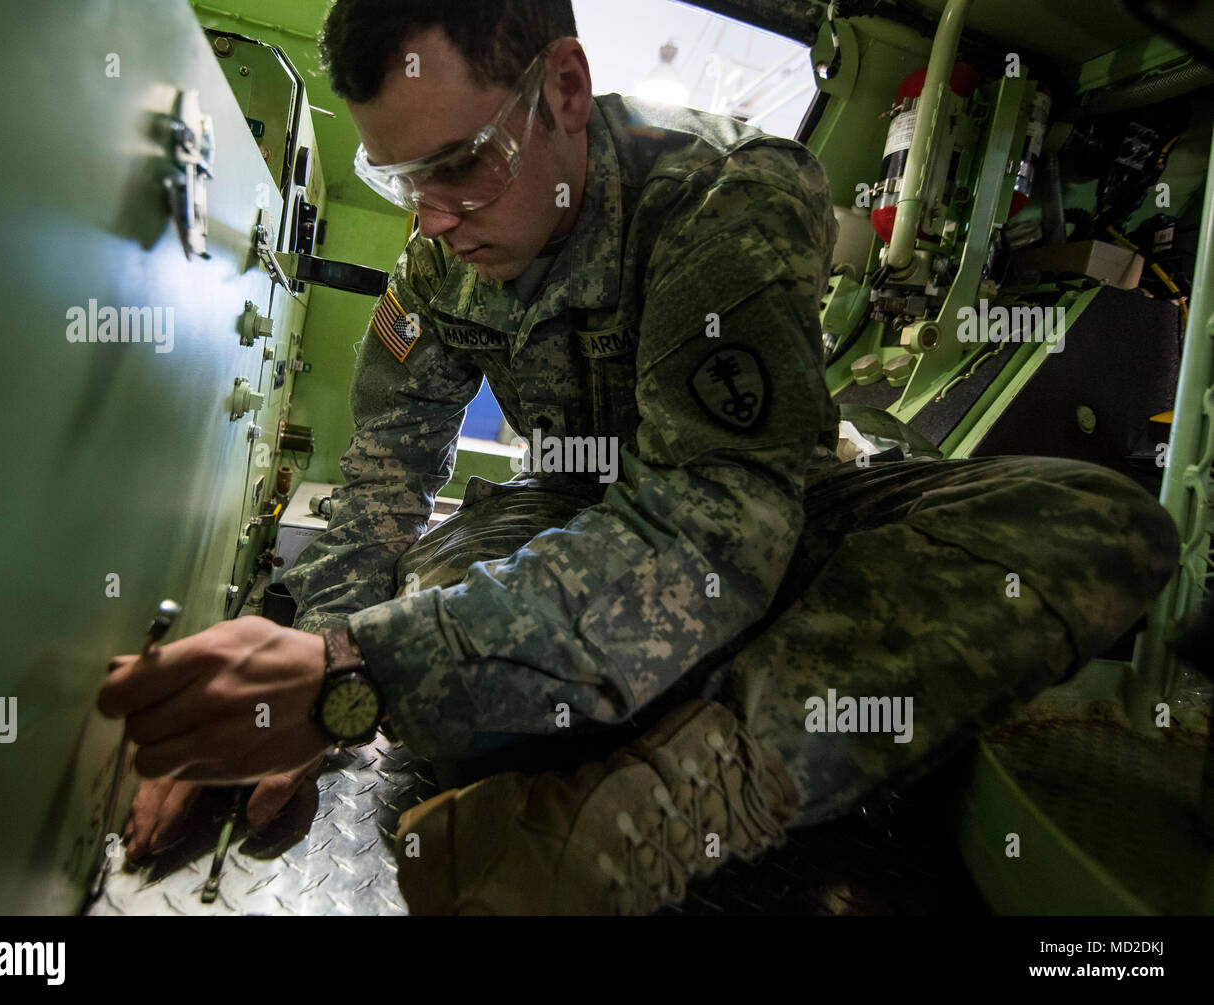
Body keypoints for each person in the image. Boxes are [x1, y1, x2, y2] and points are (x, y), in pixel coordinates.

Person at [98, 0, 1180, 915]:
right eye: (399, 183)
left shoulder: (730, 202)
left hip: (770, 503)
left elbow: (714, 531)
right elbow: (384, 481)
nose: (432, 221)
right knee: (439, 589)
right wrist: (313, 679)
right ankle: (708, 718)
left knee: (1099, 518)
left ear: (564, 88)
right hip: (571, 504)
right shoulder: (441, 266)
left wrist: (356, 678)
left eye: (462, 164)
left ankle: (676, 799)